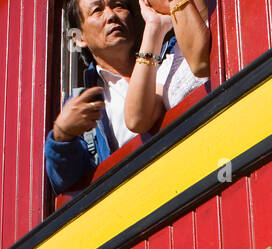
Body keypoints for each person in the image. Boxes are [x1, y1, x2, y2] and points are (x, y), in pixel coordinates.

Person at [45, 0, 213, 195]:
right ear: (78, 37)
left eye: (118, 5)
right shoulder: (86, 103)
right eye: (97, 10)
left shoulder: (171, 57)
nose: (111, 15)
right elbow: (68, 185)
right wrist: (62, 137)